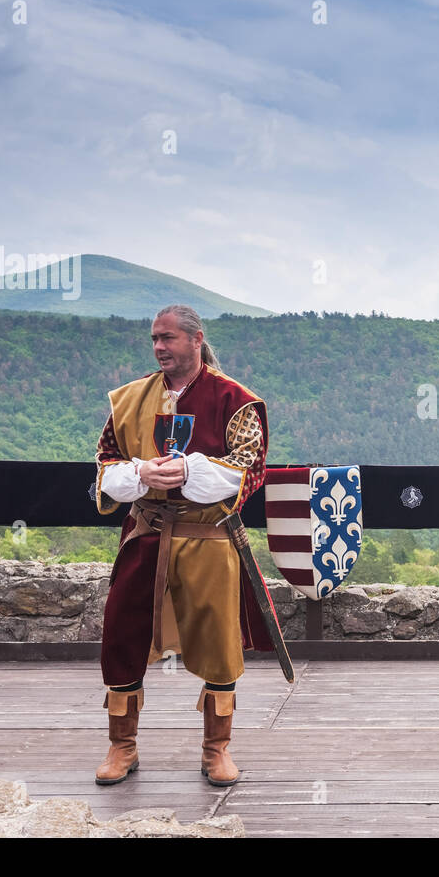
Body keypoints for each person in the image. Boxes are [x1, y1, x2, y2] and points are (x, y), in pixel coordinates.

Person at [92, 304, 285, 786]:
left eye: (169, 338)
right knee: (122, 635)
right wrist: (140, 472)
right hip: (146, 533)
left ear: (196, 340)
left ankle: (216, 750)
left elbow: (249, 468)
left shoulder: (235, 400)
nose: (159, 347)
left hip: (208, 537)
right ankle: (122, 747)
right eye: (155, 339)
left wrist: (190, 469)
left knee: (219, 642)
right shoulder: (130, 399)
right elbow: (105, 463)